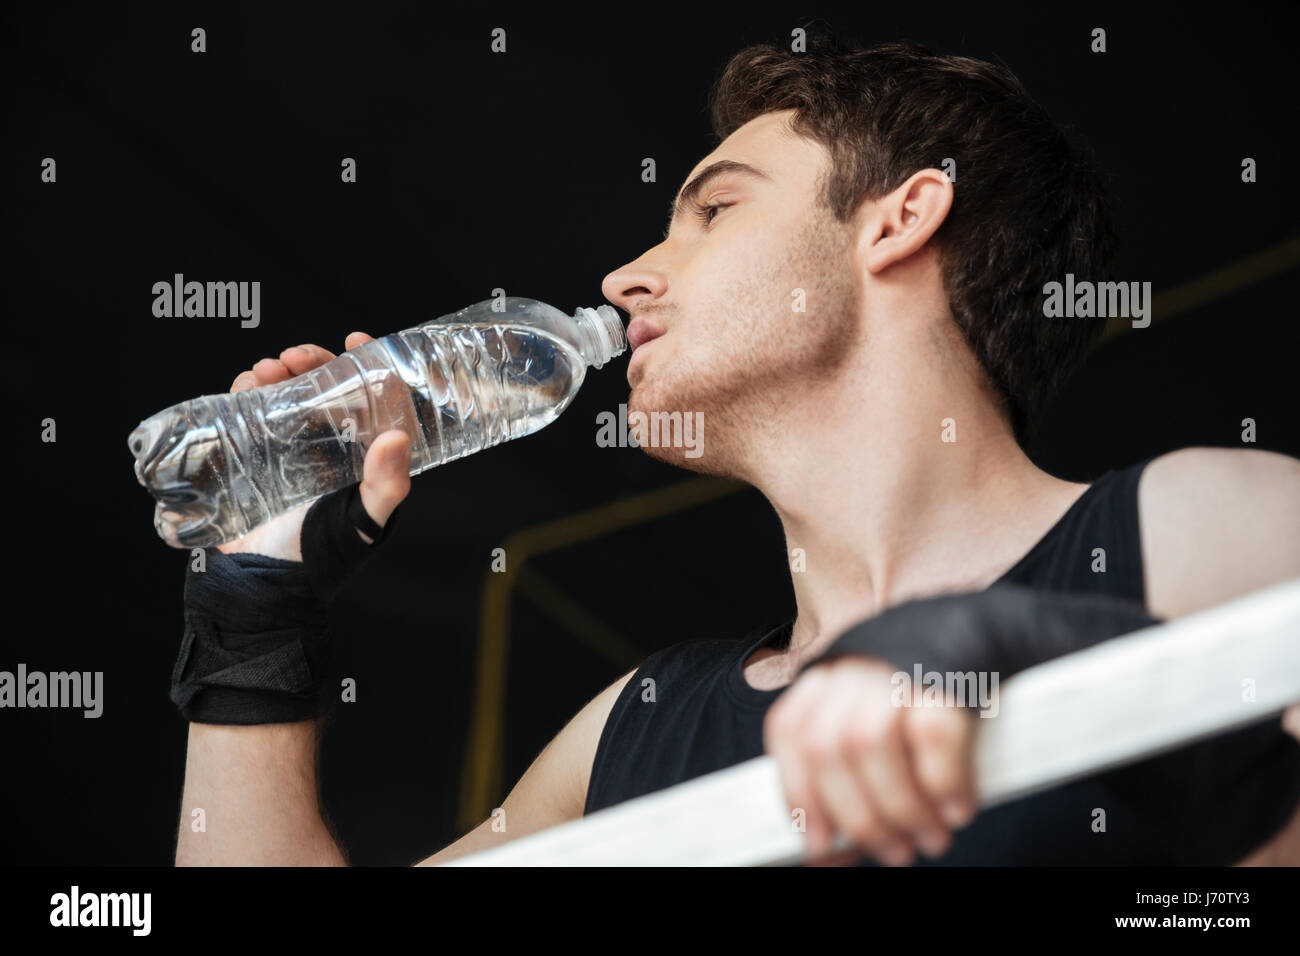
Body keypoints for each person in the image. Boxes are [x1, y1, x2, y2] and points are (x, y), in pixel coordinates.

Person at [171, 38, 1300, 867]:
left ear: (898, 220)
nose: (624, 280)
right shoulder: (639, 724)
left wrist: (1027, 645)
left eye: (712, 210)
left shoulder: (1189, 529)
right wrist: (255, 617)